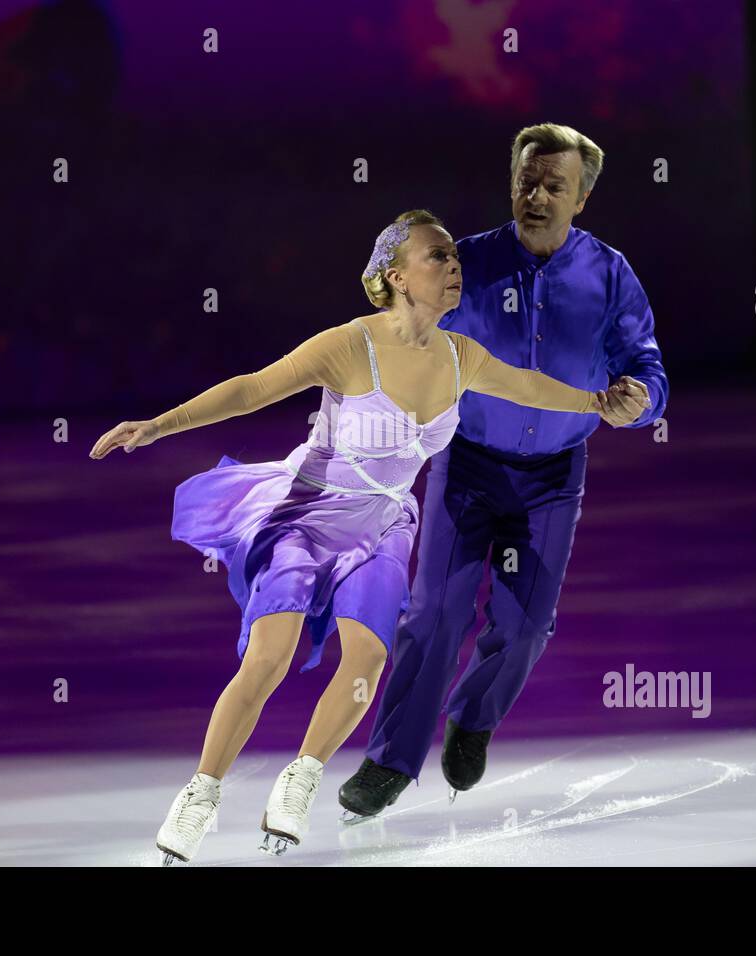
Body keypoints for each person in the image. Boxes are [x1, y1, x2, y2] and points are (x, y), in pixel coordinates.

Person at [90, 209, 644, 865]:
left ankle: (299, 779)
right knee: (269, 659)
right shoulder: (349, 347)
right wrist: (158, 425)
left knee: (368, 660)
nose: (452, 266)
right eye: (436, 257)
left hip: (382, 527)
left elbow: (525, 386)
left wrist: (597, 402)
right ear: (394, 276)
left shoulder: (460, 356)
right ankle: (202, 794)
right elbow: (250, 391)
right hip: (307, 518)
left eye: (454, 258)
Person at [340, 124, 669, 817]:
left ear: (581, 197)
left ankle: (473, 715)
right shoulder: (469, 265)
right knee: (434, 614)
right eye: (527, 181)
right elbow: (410, 332)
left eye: (555, 185)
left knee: (524, 628)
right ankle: (390, 760)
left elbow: (645, 364)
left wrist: (642, 403)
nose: (537, 195)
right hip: (468, 466)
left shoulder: (609, 275)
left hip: (552, 477)